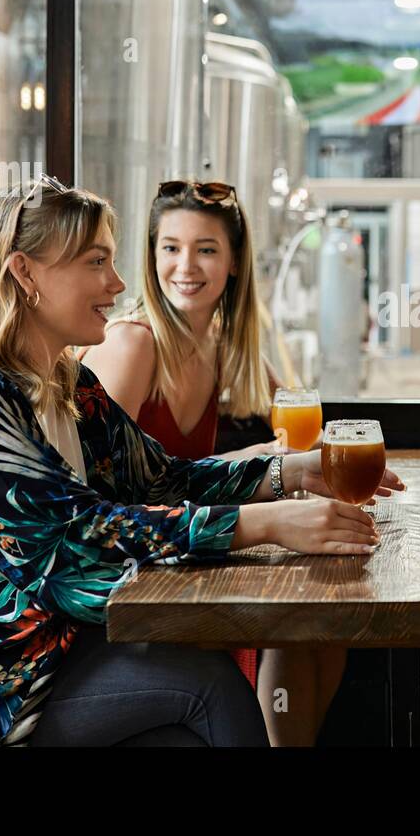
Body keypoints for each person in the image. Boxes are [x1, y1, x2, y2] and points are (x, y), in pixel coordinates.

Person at [0, 177, 402, 747]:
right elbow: (71, 544)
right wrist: (267, 524)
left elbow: (160, 477)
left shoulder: (68, 384)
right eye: (96, 262)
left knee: (195, 703)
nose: (119, 282)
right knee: (207, 686)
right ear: (24, 273)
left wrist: (288, 472)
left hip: (44, 650)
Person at [80, 179, 342, 746]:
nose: (185, 266)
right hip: (130, 575)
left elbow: (294, 431)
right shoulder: (133, 345)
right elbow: (97, 494)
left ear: (233, 263)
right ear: (151, 260)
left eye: (205, 249)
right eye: (170, 247)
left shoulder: (224, 344)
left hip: (187, 557)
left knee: (325, 629)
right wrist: (260, 460)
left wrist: (312, 461)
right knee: (293, 625)